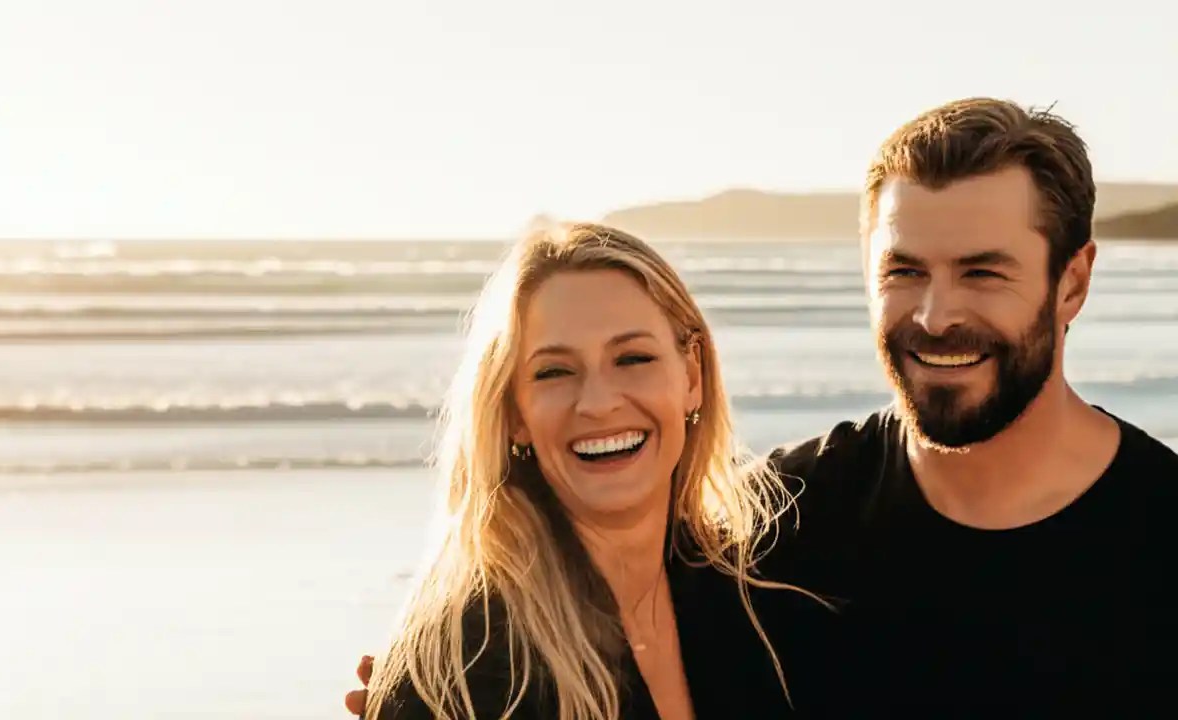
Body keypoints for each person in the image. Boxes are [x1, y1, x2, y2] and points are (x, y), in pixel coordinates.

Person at [348, 97, 1178, 717]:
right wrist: (421, 684)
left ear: (1072, 281)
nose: (934, 315)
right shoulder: (769, 533)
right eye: (904, 271)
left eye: (982, 272)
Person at [358, 222, 816, 720]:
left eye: (633, 358)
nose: (598, 404)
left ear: (691, 376)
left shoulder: (755, 593)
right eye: (554, 371)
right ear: (514, 413)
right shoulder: (471, 664)